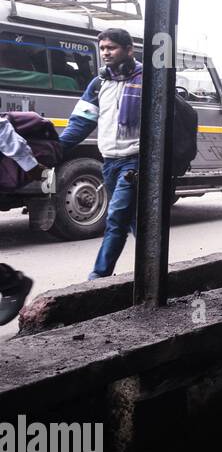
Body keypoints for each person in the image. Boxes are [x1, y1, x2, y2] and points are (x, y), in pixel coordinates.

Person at [59, 28, 143, 279]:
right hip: (109, 162)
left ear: (129, 50)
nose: (106, 52)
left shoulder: (147, 80)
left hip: (135, 160)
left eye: (112, 47)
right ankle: (158, 269)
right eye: (103, 48)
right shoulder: (99, 83)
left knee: (116, 217)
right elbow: (81, 122)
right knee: (136, 220)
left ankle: (98, 276)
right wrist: (54, 150)